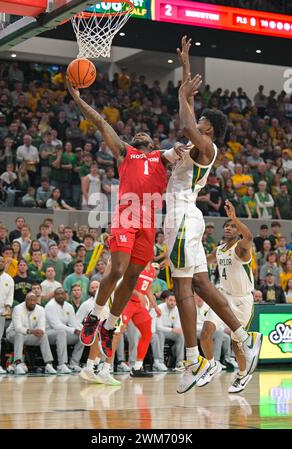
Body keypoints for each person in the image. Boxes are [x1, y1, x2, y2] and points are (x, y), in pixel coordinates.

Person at [164, 36, 262, 394]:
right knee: (201, 284)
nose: (195, 125)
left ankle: (194, 360)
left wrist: (180, 98)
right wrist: (187, 68)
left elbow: (188, 123)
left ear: (210, 131)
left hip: (182, 216)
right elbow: (190, 116)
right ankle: (242, 341)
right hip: (185, 216)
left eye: (202, 123)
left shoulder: (206, 145)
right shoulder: (199, 143)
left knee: (183, 286)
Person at [66, 76, 169, 359]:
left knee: (133, 276)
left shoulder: (161, 157)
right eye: (138, 135)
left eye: (146, 135)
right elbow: (101, 122)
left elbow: (190, 149)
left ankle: (110, 325)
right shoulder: (126, 152)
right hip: (127, 213)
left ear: (153, 142)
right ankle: (95, 315)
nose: (142, 135)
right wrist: (78, 99)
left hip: (150, 219)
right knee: (119, 268)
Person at [198, 201, 256, 393]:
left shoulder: (242, 247)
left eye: (232, 227)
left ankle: (242, 374)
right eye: (227, 226)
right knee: (205, 332)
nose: (229, 228)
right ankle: (212, 365)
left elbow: (249, 236)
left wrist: (235, 218)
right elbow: (204, 260)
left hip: (242, 300)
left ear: (237, 231)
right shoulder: (220, 249)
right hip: (223, 297)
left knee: (236, 343)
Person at [121, 262, 162, 377]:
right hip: (126, 302)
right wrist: (138, 294)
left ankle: (137, 367)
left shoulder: (152, 270)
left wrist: (155, 306)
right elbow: (125, 285)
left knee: (147, 334)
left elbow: (148, 289)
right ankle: (102, 366)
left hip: (138, 305)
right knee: (117, 334)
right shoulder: (135, 265)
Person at [6, 292, 57, 375]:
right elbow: (18, 328)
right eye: (30, 300)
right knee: (19, 334)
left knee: (43, 336)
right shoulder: (18, 308)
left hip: (29, 335)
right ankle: (17, 363)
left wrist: (40, 331)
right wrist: (32, 331)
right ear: (25, 300)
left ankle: (49, 364)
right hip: (13, 334)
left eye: (34, 300)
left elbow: (42, 326)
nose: (32, 302)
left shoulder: (40, 309)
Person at [45, 287, 84, 374]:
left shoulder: (69, 306)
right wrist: (73, 330)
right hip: (48, 333)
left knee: (82, 336)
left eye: (62, 294)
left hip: (63, 332)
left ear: (66, 295)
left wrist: (81, 330)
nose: (60, 296)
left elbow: (73, 323)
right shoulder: (50, 306)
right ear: (54, 296)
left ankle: (73, 363)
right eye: (58, 294)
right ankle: (61, 364)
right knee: (61, 332)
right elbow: (56, 325)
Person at [0, 256, 14, 374]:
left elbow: (10, 296)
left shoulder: (9, 279)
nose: (0, 263)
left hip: (0, 312)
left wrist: (7, 307)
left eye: (2, 261)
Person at [156, 291, 185, 371]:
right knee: (160, 334)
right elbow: (158, 327)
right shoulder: (160, 307)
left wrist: (178, 330)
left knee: (180, 335)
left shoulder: (176, 310)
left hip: (169, 331)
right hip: (158, 331)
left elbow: (177, 326)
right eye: (171, 300)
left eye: (175, 301)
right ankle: (160, 362)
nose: (173, 303)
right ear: (166, 300)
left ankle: (179, 362)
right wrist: (172, 329)